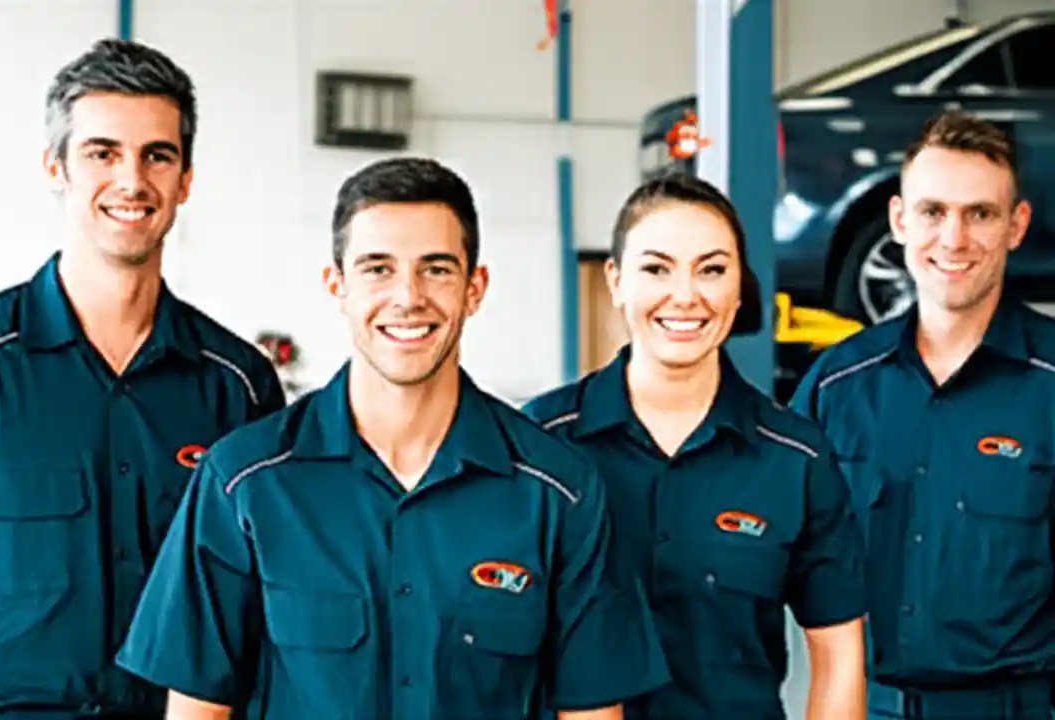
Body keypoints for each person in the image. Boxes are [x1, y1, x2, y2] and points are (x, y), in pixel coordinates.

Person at [113, 157, 670, 719]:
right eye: (378, 268)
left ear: (475, 288)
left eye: (437, 269)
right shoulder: (243, 485)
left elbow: (593, 714)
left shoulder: (559, 493)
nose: (408, 296)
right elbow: (197, 710)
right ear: (338, 285)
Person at [0, 38, 285, 719]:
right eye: (102, 153)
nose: (131, 180)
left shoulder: (237, 386)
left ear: (185, 179)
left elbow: (254, 610)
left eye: (156, 155)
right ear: (56, 166)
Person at [524, 173, 868, 720]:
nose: (685, 296)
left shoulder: (796, 458)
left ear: (738, 290)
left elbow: (839, 652)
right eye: (657, 268)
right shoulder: (539, 444)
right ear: (615, 281)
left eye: (711, 270)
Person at [791, 110, 1055, 719]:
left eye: (980, 214)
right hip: (865, 704)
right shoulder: (836, 385)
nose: (954, 239)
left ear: (1016, 226)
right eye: (933, 211)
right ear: (899, 220)